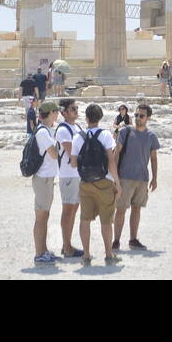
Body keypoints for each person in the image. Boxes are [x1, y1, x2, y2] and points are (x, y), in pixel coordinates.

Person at [75, 103, 122, 266]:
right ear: (100, 117)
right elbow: (111, 161)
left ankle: (86, 255)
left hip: (85, 182)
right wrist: (117, 182)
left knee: (85, 219)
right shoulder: (106, 135)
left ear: (86, 118)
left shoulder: (78, 137)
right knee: (106, 220)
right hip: (104, 182)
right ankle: (109, 254)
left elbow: (74, 163)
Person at [113, 103, 159, 251]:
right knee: (121, 209)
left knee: (137, 209)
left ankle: (133, 239)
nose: (138, 118)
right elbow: (117, 153)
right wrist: (114, 177)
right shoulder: (126, 132)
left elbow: (153, 158)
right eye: (137, 115)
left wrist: (155, 178)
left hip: (142, 179)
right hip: (125, 178)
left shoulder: (151, 136)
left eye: (142, 116)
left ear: (148, 118)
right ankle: (116, 240)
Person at [30, 101, 61, 264]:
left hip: (48, 178)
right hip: (42, 179)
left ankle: (44, 250)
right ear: (50, 113)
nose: (58, 115)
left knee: (45, 216)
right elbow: (54, 154)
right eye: (56, 112)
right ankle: (39, 253)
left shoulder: (48, 130)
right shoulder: (43, 132)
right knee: (41, 217)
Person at [55, 98, 84, 258]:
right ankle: (67, 247)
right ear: (64, 112)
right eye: (73, 108)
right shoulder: (63, 130)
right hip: (68, 175)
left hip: (78, 174)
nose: (75, 110)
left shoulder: (78, 127)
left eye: (76, 108)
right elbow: (72, 151)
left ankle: (67, 244)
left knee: (74, 210)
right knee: (68, 210)